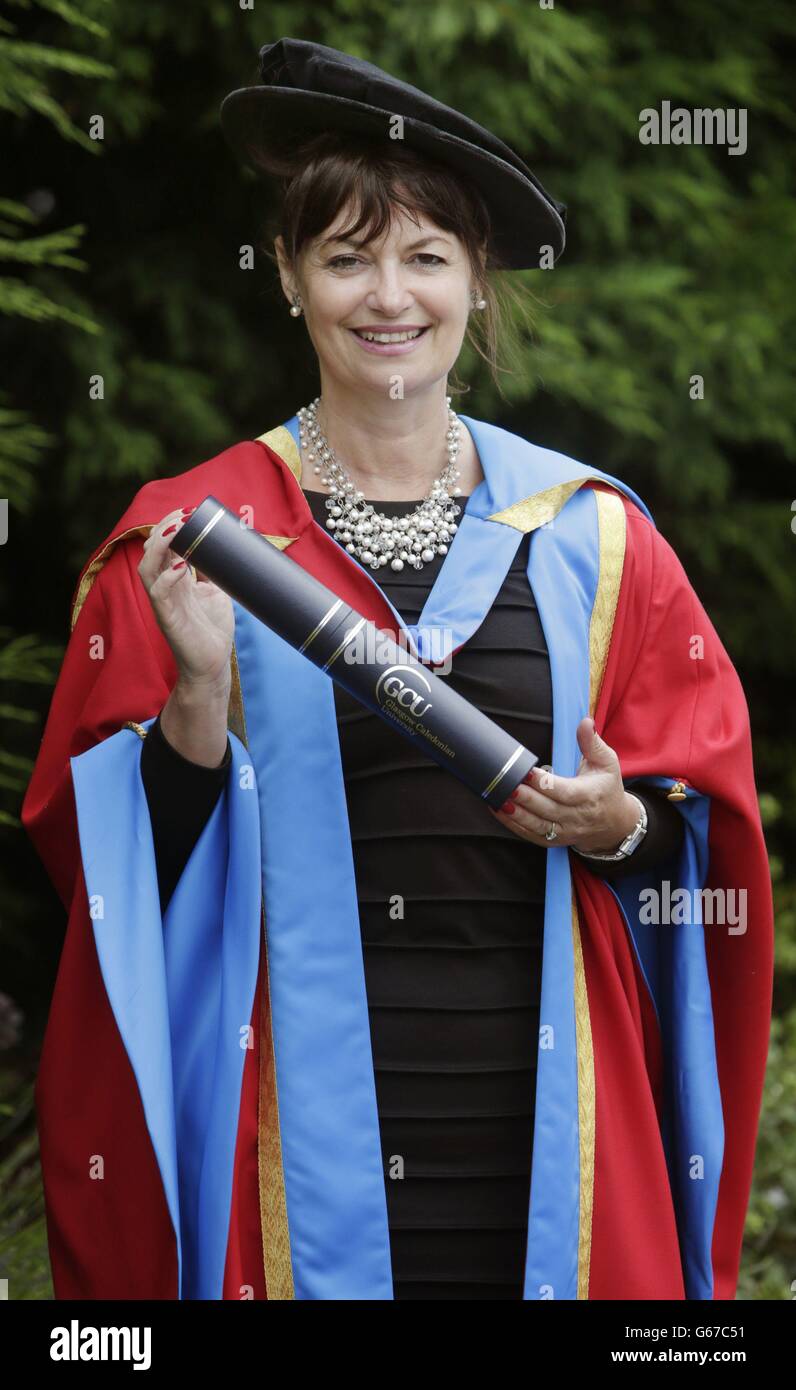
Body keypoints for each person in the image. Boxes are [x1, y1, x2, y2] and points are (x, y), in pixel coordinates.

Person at [22, 39, 773, 1302]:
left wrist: (623, 821)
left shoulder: (594, 535)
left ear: (478, 283)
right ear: (287, 281)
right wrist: (197, 703)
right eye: (346, 256)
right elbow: (102, 885)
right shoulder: (192, 541)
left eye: (426, 256)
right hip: (290, 1126)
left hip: (551, 1118)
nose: (390, 296)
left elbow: (706, 844)